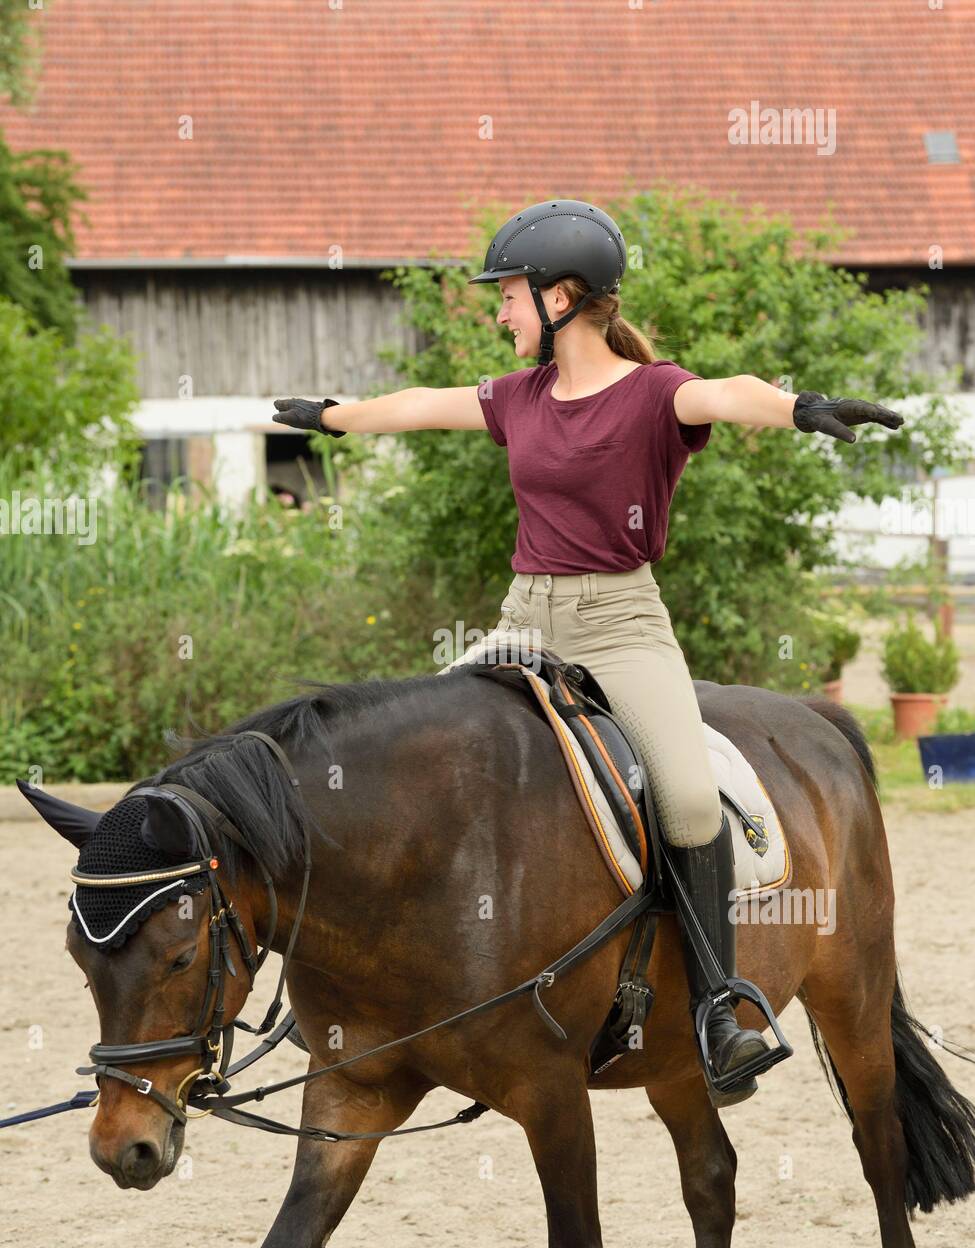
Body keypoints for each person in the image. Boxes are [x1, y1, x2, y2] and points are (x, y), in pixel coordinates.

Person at [272, 198, 903, 1106]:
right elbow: (418, 407)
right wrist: (336, 416)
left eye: (511, 295)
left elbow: (727, 392)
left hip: (621, 625)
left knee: (687, 801)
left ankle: (719, 1008)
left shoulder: (652, 394)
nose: (500, 311)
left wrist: (801, 409)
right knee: (403, 763)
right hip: (524, 618)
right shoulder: (518, 397)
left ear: (562, 297)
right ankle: (386, 980)